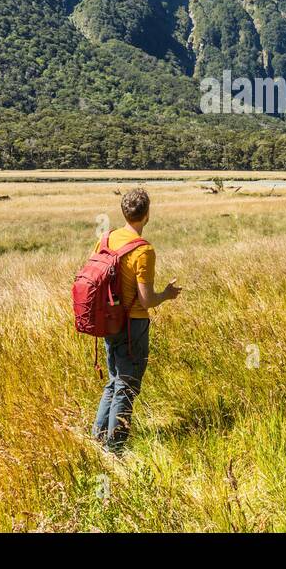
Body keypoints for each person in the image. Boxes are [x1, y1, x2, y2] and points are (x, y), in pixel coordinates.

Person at [92, 188, 181, 454]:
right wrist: (166, 294)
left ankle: (98, 437)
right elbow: (146, 301)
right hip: (133, 325)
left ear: (124, 212)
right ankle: (115, 447)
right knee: (127, 385)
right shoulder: (144, 251)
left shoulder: (106, 238)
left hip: (109, 321)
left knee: (113, 380)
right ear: (147, 214)